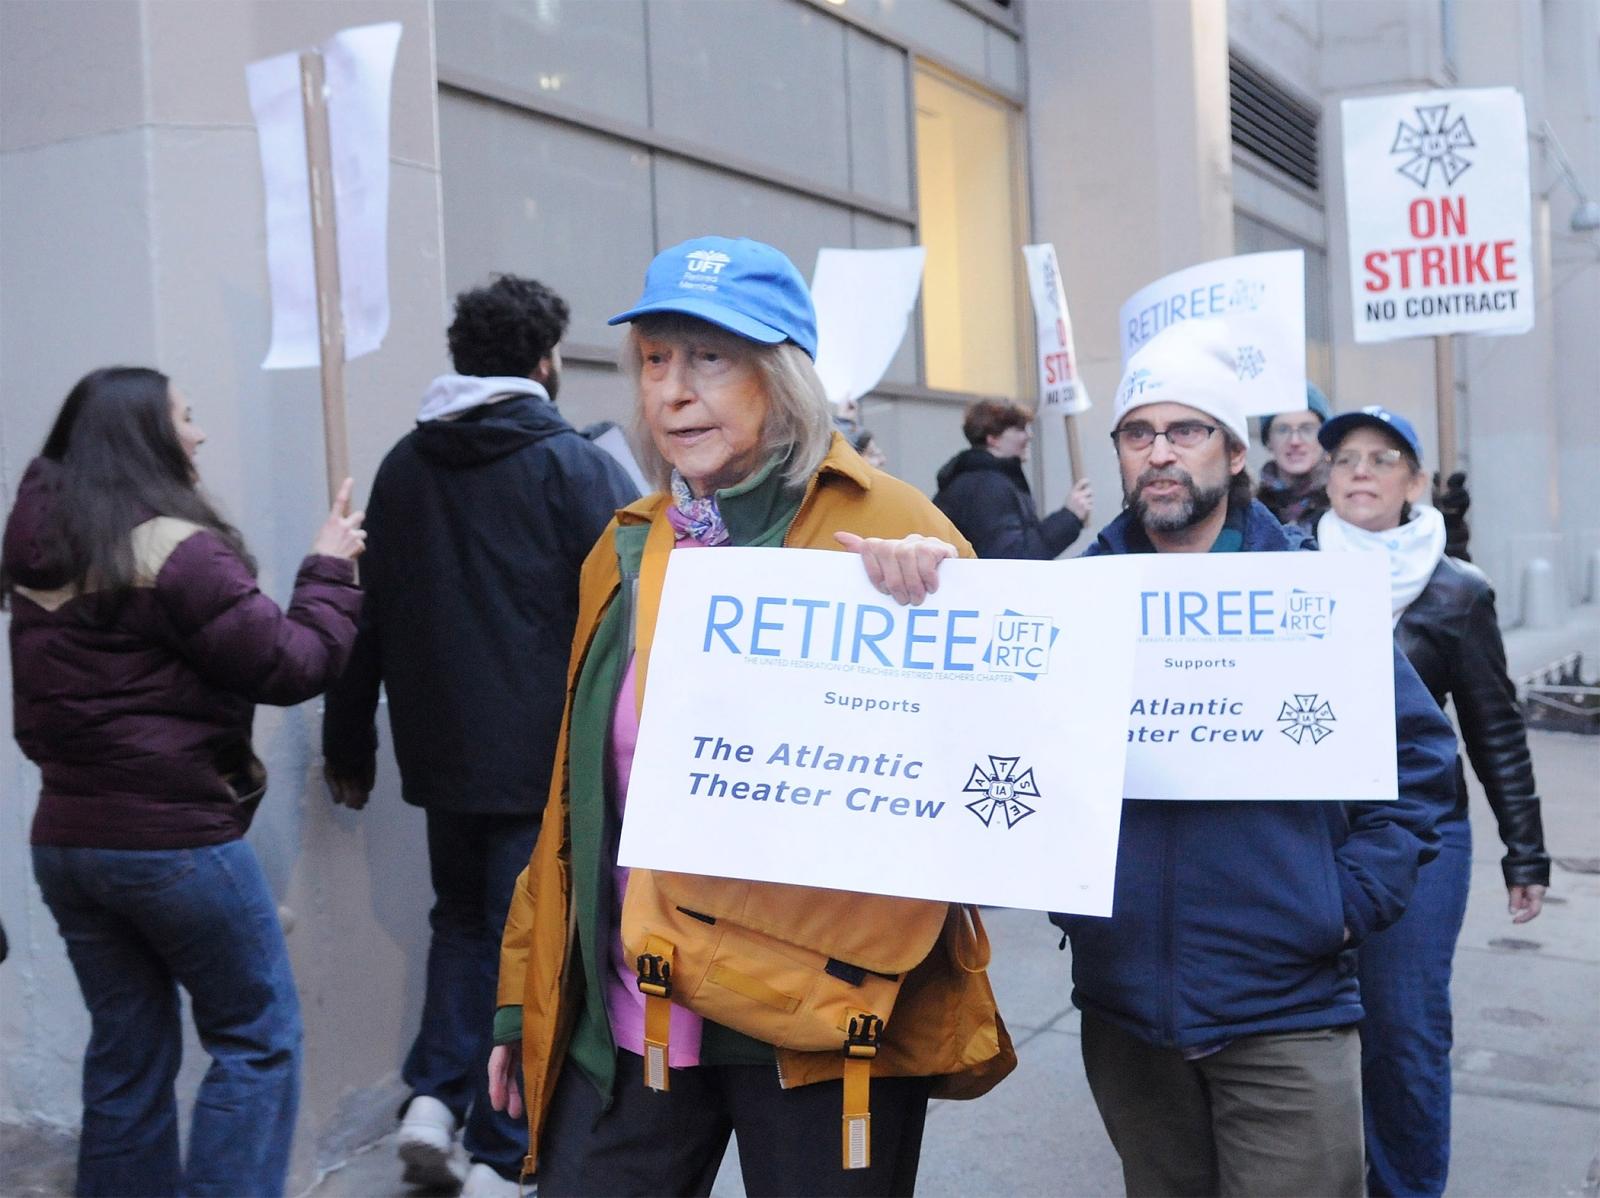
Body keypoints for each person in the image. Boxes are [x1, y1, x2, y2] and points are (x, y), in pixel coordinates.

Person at [864, 319, 1458, 1197]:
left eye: (1186, 430)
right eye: (1139, 434)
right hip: (1127, 1014)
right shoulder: (1076, 597)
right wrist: (917, 581)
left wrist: (1339, 904)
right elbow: (973, 732)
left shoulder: (1309, 595)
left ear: (1232, 452)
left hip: (1284, 1011)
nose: (1160, 454)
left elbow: (1420, 767)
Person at [487, 236, 1015, 1197]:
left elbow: (990, 773)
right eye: (655, 360)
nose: (673, 391)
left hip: (825, 1022)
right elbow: (577, 800)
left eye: (710, 358)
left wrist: (943, 614)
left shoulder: (897, 526)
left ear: (784, 379)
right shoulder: (629, 545)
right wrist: (522, 996)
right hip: (634, 1008)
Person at [2, 367, 365, 1197]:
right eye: (186, 417)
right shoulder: (173, 548)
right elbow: (291, 662)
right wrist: (326, 570)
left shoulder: (43, 552)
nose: (197, 434)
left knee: (127, 1049)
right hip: (174, 842)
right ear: (144, 435)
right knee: (258, 1037)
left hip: (66, 841)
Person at [320, 275, 637, 1195]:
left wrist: (351, 746)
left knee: (461, 923)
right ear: (544, 362)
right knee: (526, 950)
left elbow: (364, 616)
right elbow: (638, 598)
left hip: (440, 757)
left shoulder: (401, 467)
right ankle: (502, 1153)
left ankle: (431, 1099)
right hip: (545, 761)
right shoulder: (575, 467)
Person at [1317, 405, 1549, 1198]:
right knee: (1299, 1035)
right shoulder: (1285, 568)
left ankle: (1406, 1187)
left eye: (1383, 460)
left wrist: (1527, 852)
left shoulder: (1457, 591)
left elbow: (1496, 729)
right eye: (1346, 457)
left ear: (1417, 483)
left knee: (1404, 1030)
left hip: (1422, 836)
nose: (1360, 472)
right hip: (1309, 831)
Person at [932, 399, 1092, 559]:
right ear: (993, 438)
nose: (1030, 435)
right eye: (1020, 428)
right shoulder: (987, 487)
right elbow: (1012, 558)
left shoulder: (981, 480)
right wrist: (1069, 516)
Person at [1255, 382, 1332, 534]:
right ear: (1268, 440)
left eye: (1307, 429)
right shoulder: (1249, 509)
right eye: (1282, 430)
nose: (1295, 441)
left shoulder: (1345, 502)